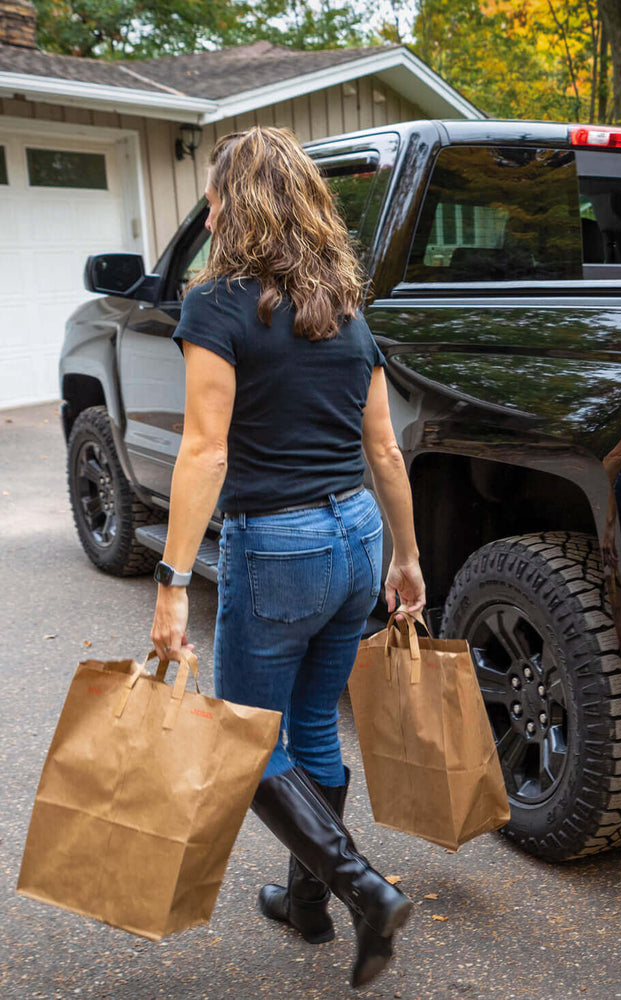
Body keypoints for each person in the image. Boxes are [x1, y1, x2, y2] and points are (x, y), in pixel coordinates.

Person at [147, 126, 426, 989]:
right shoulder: (343, 305)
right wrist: (405, 557)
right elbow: (385, 451)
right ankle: (308, 906)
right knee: (308, 726)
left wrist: (169, 586)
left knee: (243, 738)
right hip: (354, 538)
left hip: (279, 545)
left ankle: (361, 889)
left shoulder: (216, 304)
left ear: (231, 204)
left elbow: (204, 452)